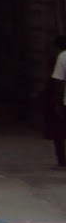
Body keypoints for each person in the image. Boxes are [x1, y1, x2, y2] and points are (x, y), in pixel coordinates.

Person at [46, 36, 66, 168]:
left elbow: (59, 81)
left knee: (59, 132)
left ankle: (62, 161)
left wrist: (57, 102)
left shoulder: (63, 56)